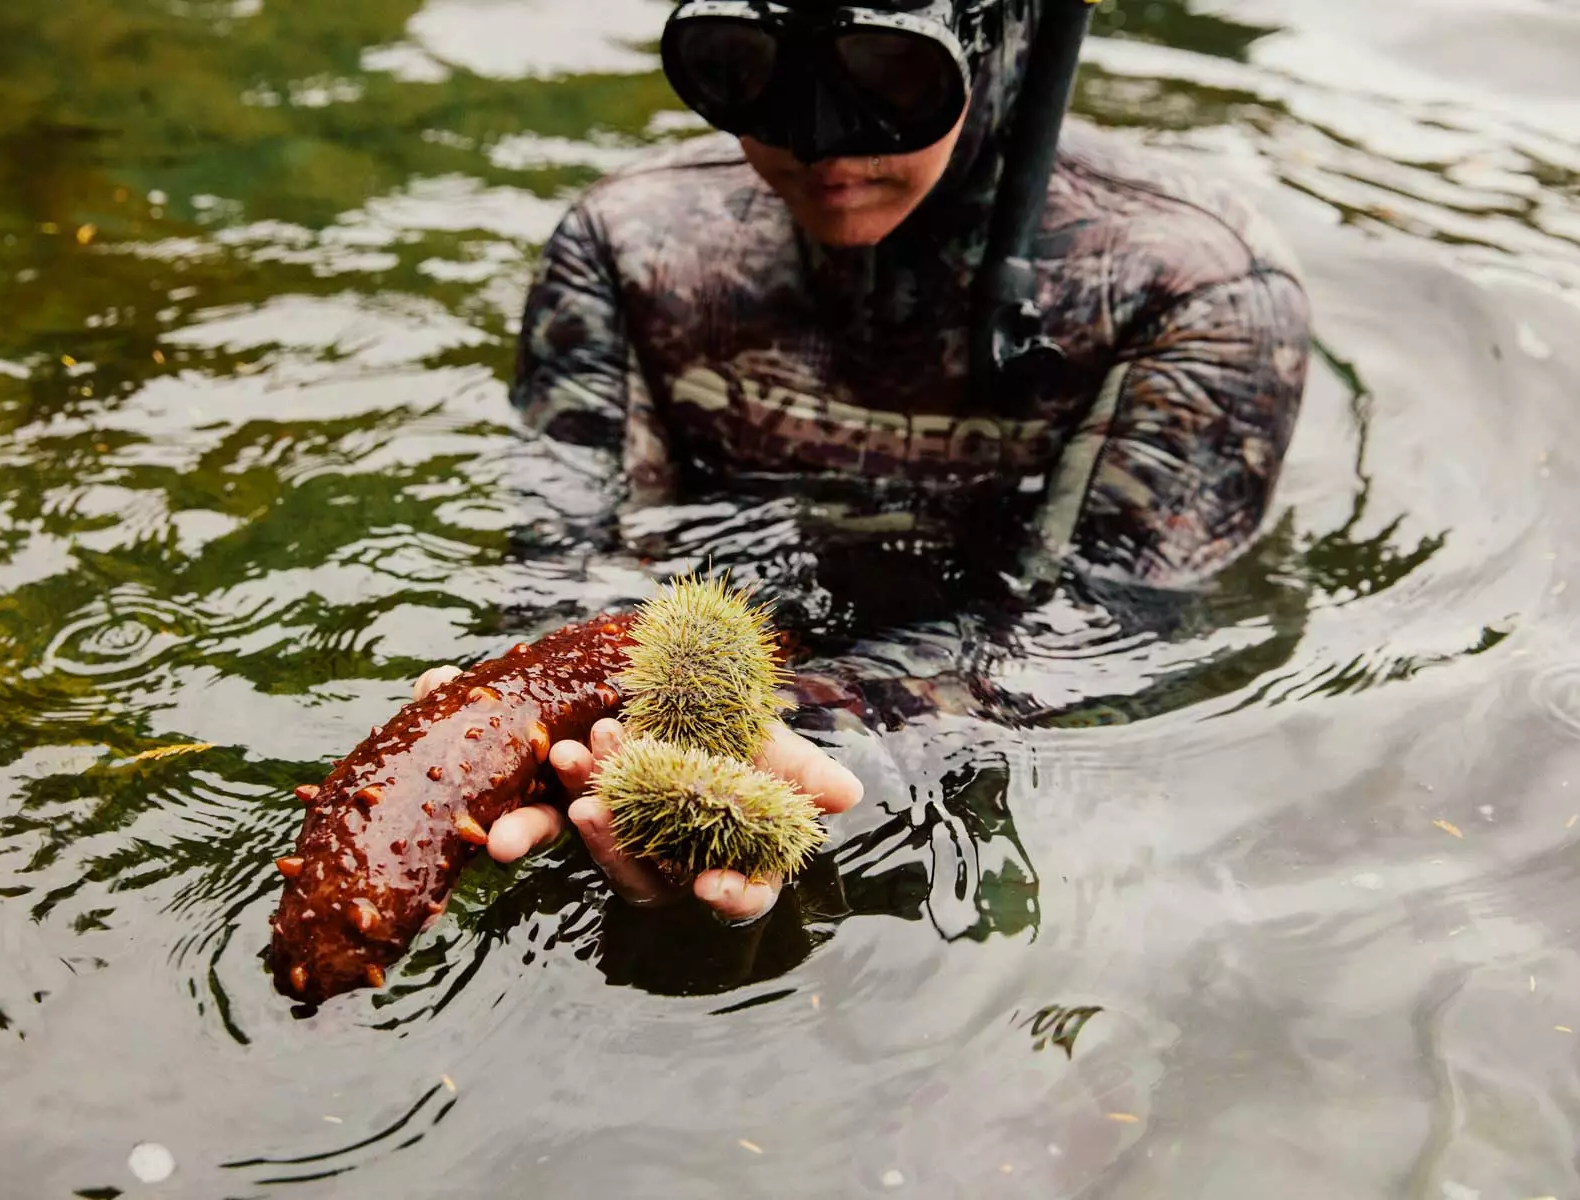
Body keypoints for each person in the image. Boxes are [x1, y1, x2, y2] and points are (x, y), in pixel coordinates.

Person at [418, 0, 1310, 923]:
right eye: (751, 65)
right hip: (691, 678)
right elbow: (561, 563)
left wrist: (800, 741)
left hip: (975, 762)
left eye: (887, 72)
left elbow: (1114, 624)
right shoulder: (627, 247)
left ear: (997, 38)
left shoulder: (1195, 287)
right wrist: (547, 744)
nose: (820, 143)